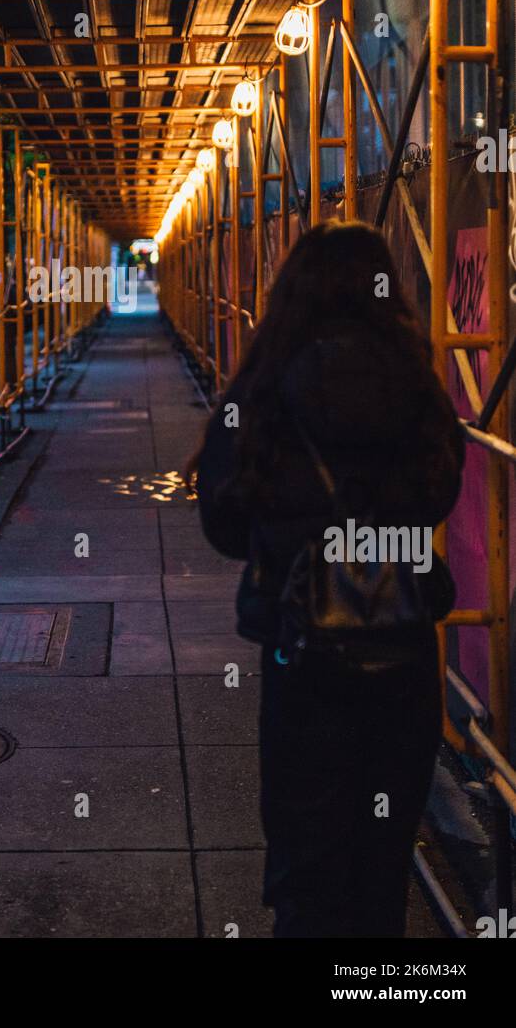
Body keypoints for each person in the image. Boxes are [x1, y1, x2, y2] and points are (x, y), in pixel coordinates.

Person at [193, 221, 464, 938]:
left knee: (308, 872)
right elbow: (441, 492)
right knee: (380, 873)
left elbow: (222, 522)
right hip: (404, 653)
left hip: (304, 654)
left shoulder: (268, 386)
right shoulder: (417, 381)